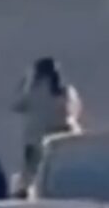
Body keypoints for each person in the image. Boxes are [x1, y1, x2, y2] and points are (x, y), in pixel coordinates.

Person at [13, 57, 82, 190]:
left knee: (31, 178)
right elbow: (75, 111)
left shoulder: (33, 91)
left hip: (35, 142)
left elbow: (16, 105)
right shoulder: (67, 92)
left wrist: (25, 82)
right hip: (62, 142)